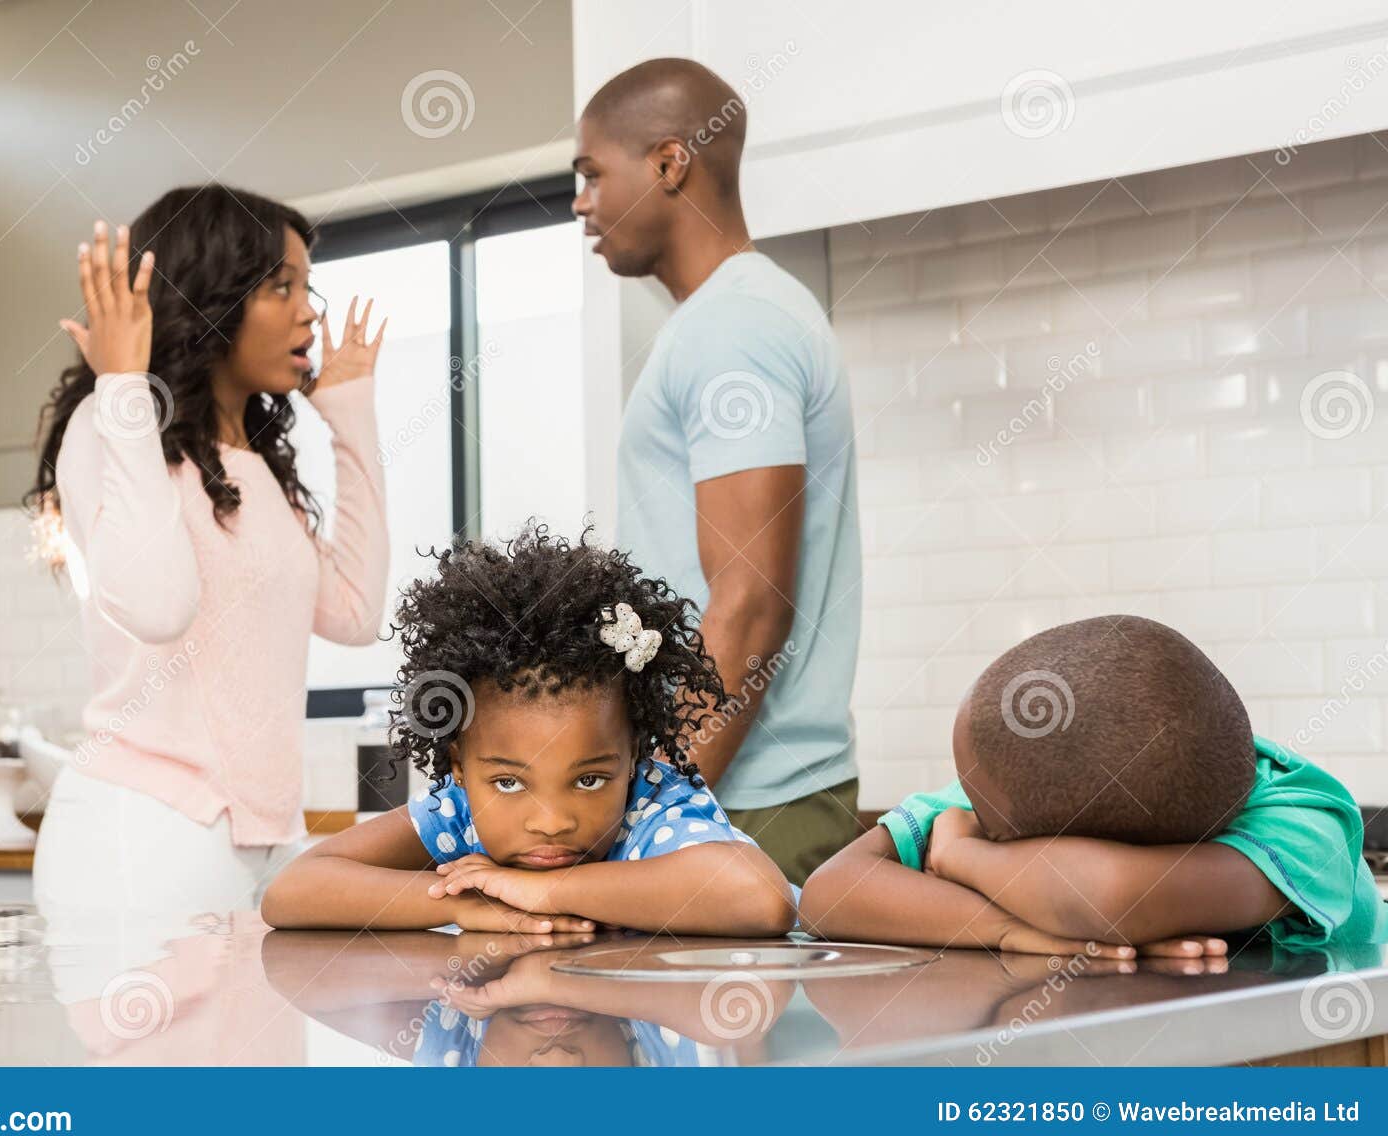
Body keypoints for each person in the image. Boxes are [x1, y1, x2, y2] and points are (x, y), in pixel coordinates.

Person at [27, 184, 389, 917]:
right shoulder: (108, 424)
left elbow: (355, 613)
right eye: (281, 286)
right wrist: (124, 385)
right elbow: (159, 606)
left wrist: (350, 416)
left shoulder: (257, 467)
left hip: (263, 837)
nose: (309, 311)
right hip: (144, 835)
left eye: (308, 287)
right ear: (211, 297)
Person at [573, 58, 861, 886]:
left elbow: (750, 603)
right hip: (739, 798)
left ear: (671, 162)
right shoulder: (734, 316)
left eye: (593, 174)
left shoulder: (733, 326)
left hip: (741, 805)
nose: (581, 203)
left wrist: (651, 806)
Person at [260, 523, 796, 936]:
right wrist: (467, 906)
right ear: (459, 766)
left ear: (634, 755)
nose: (552, 822)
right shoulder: (458, 809)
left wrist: (547, 889)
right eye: (510, 783)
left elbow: (762, 899)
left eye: (589, 780)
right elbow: (292, 890)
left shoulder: (653, 806)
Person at [800, 615, 1388, 957]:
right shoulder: (1029, 785)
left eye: (982, 816)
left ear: (1068, 837)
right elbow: (829, 894)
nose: (962, 806)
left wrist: (961, 855)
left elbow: (1112, 899)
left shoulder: (1307, 824)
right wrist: (1013, 928)